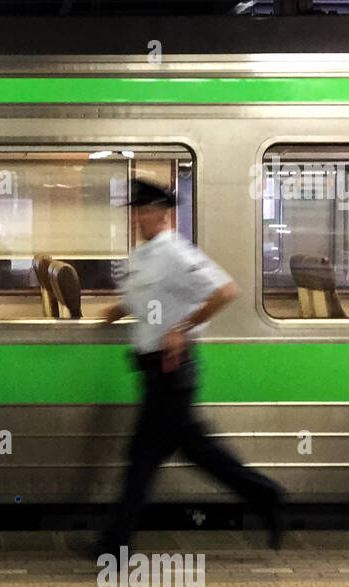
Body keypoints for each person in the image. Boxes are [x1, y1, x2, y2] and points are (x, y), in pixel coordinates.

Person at [90, 179, 286, 558]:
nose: (136, 218)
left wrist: (183, 327)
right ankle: (268, 496)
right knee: (199, 453)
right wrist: (104, 317)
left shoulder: (174, 251)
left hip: (170, 370)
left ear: (159, 213)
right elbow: (137, 302)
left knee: (142, 461)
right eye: (134, 211)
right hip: (152, 373)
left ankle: (113, 547)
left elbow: (225, 291)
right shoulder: (141, 255)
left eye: (142, 211)